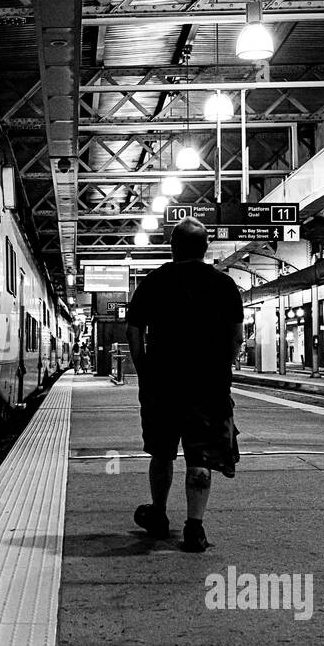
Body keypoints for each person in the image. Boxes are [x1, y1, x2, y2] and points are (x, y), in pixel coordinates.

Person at [125, 218, 244, 552]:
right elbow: (236, 337)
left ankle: (159, 516)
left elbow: (133, 333)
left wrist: (143, 370)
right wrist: (222, 367)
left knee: (162, 453)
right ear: (205, 248)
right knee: (201, 457)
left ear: (173, 247)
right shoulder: (224, 285)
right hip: (209, 387)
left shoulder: (154, 282)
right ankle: (194, 528)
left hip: (162, 385)